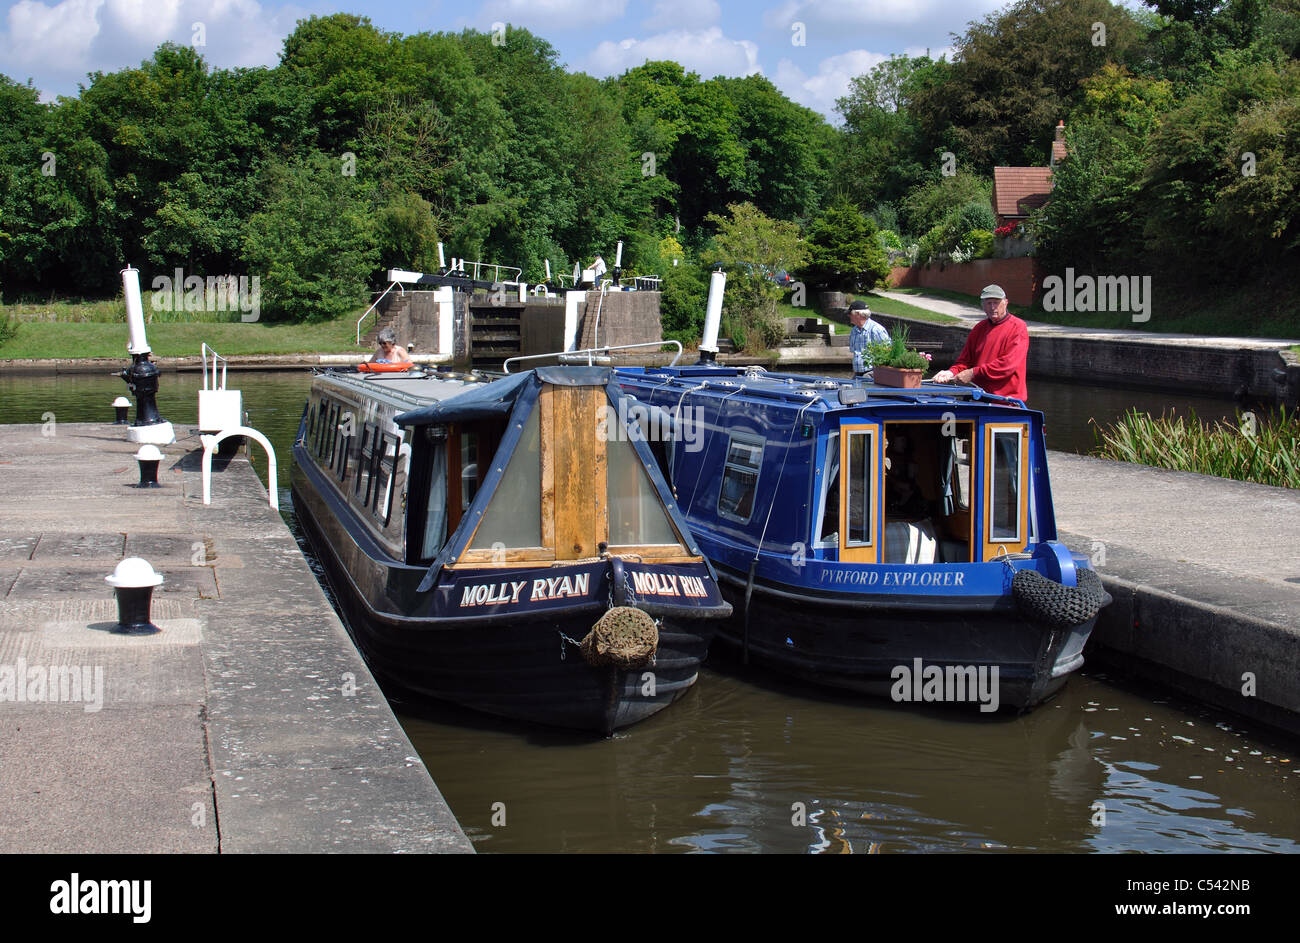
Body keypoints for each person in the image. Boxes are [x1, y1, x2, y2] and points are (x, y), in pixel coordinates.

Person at [932, 284, 1028, 402]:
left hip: (1007, 402)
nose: (993, 307)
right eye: (988, 303)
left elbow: (1007, 365)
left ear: (1006, 303)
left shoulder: (1018, 328)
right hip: (980, 398)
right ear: (982, 305)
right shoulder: (979, 328)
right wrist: (950, 372)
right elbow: (965, 361)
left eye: (996, 302)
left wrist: (973, 373)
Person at [847, 300, 889, 375]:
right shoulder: (854, 331)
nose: (848, 316)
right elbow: (855, 353)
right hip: (858, 373)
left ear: (858, 314)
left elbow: (887, 350)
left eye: (850, 313)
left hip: (872, 373)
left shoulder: (876, 329)